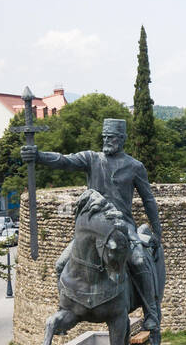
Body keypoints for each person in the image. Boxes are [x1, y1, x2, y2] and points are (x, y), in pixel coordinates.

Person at [21, 118, 163, 330]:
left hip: (121, 226)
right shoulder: (91, 159)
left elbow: (148, 200)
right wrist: (38, 156)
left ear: (122, 139)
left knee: (139, 260)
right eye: (104, 137)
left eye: (112, 137)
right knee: (61, 264)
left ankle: (151, 311)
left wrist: (157, 229)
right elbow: (64, 160)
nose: (107, 141)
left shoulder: (135, 167)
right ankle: (65, 308)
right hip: (92, 227)